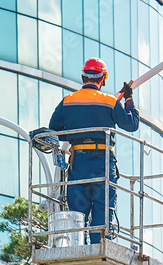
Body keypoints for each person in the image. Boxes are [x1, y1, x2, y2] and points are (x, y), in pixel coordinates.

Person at [48, 58, 139, 244]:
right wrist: (128, 99)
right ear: (103, 78)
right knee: (102, 211)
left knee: (77, 215)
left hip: (78, 163)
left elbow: (54, 131)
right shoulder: (109, 102)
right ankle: (99, 248)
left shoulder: (68, 101)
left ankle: (76, 248)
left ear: (83, 77)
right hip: (102, 163)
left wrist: (77, 134)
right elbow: (131, 124)